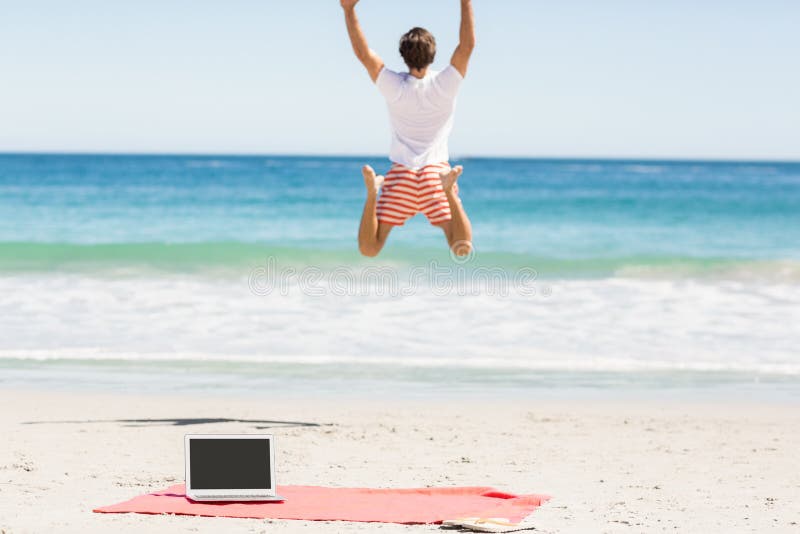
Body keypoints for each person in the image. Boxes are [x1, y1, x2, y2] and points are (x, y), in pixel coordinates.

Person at [340, 0, 476, 257]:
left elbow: (364, 54)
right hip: (435, 175)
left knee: (370, 248)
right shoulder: (446, 84)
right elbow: (467, 46)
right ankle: (450, 192)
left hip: (401, 175)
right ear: (433, 54)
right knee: (461, 249)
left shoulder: (394, 86)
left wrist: (348, 10)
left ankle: (372, 193)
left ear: (403, 56)